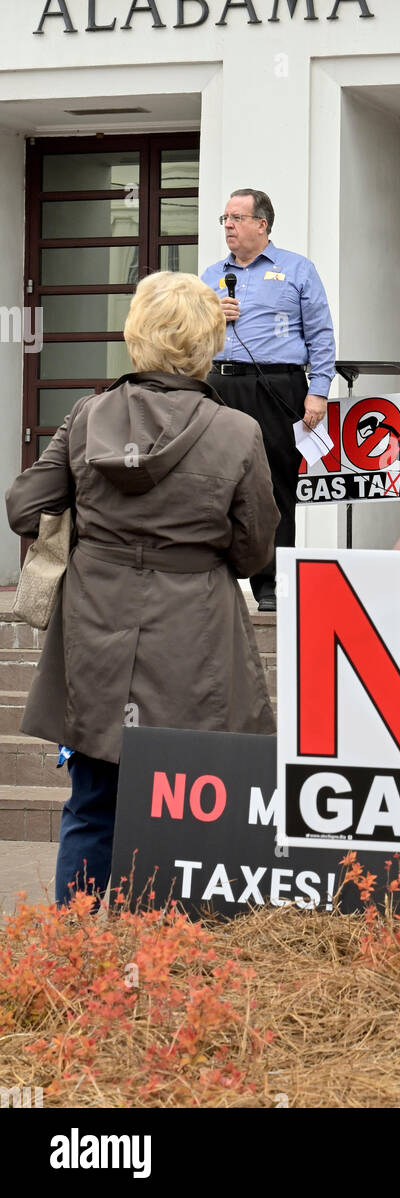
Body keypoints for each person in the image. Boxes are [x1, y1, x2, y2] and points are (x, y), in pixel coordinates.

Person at [5, 272, 280, 906]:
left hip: (96, 627)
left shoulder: (87, 415)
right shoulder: (237, 432)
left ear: (137, 338)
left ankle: (73, 957)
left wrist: (88, 532)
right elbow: (252, 549)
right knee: (193, 806)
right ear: (208, 343)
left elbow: (26, 508)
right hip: (196, 636)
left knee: (94, 798)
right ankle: (168, 957)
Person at [201, 189, 336, 611]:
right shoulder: (210, 274)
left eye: (237, 218)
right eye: (225, 218)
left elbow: (320, 334)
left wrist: (318, 392)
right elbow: (188, 336)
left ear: (262, 223)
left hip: (277, 387)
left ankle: (270, 585)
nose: (228, 226)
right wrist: (208, 317)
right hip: (221, 384)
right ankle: (215, 579)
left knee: (275, 485)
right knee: (214, 484)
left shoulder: (296, 269)